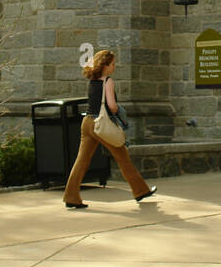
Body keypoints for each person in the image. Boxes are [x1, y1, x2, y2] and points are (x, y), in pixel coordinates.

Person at [63, 48, 157, 209]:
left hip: (87, 122)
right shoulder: (108, 81)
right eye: (112, 64)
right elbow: (112, 107)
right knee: (122, 157)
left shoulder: (93, 79)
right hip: (101, 124)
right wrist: (119, 111)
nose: (114, 67)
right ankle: (140, 191)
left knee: (82, 160)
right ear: (105, 65)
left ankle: (71, 196)